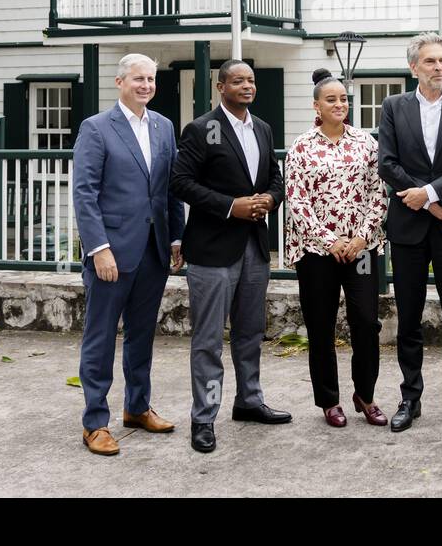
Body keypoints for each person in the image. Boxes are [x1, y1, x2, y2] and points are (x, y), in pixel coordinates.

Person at [170, 59, 288, 454]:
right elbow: (180, 182)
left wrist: (270, 198)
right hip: (213, 251)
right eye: (237, 80)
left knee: (250, 333)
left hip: (254, 247)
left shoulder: (263, 128)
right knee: (208, 340)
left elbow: (275, 176)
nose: (247, 86)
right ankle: (203, 417)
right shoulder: (201, 129)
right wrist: (228, 206)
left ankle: (248, 401)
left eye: (251, 80)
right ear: (220, 87)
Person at [72, 53, 184, 456]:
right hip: (111, 254)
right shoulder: (97, 128)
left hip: (153, 252)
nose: (146, 85)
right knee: (100, 338)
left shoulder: (164, 127)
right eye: (138, 78)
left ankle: (137, 407)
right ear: (120, 82)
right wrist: (98, 248)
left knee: (142, 336)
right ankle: (94, 423)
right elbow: (84, 193)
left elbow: (170, 189)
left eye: (151, 79)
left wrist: (175, 239)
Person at [377, 32, 442, 432]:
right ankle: (410, 397)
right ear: (413, 68)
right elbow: (386, 162)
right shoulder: (393, 106)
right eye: (430, 62)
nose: (439, 68)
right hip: (408, 226)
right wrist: (426, 200)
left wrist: (431, 193)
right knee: (408, 316)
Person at [283, 69, 390, 428]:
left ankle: (366, 395)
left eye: (343, 98)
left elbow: (379, 193)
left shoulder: (366, 143)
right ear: (317, 105)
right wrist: (330, 242)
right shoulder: (301, 147)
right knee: (321, 326)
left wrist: (360, 237)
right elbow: (296, 202)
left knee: (365, 322)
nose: (339, 104)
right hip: (316, 254)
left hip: (361, 249)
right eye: (331, 99)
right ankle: (329, 400)